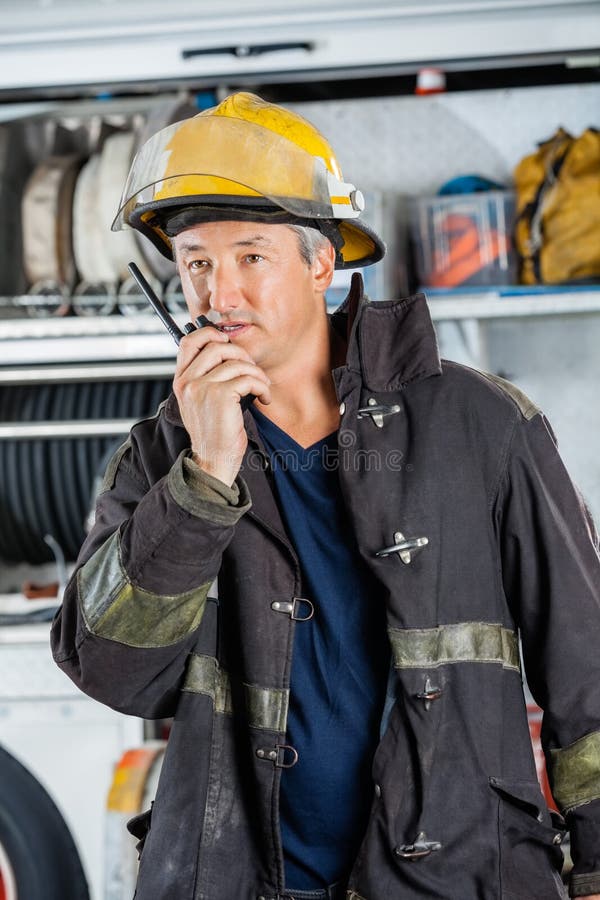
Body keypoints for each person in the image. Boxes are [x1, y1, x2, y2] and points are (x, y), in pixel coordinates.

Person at [51, 92, 600, 900]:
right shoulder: (164, 455)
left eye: (251, 256)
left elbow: (583, 657)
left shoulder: (482, 423)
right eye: (197, 262)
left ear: (320, 264)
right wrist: (205, 479)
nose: (218, 292)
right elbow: (110, 673)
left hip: (462, 879)